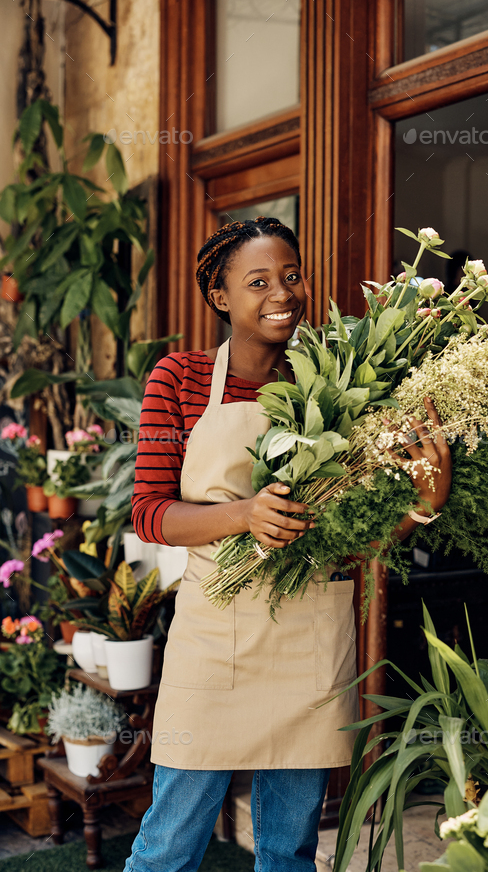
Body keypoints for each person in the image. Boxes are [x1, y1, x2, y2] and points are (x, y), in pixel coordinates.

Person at [124, 217, 452, 872]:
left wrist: (425, 502)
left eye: (293, 275)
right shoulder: (180, 379)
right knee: (168, 844)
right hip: (213, 638)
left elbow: (358, 538)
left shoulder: (337, 384)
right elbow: (150, 513)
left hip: (308, 637)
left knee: (290, 850)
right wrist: (245, 514)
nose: (284, 291)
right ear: (220, 296)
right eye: (259, 281)